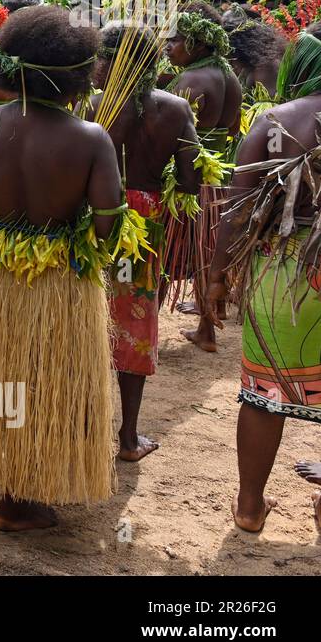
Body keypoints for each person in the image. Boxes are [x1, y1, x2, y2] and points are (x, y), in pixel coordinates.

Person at [0, 4, 126, 530]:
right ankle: (15, 501)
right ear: (80, 80)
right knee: (36, 379)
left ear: (11, 68)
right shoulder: (90, 139)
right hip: (57, 283)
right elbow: (107, 223)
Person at [205, 31, 321, 534]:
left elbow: (235, 208)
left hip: (281, 276)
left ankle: (249, 507)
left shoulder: (275, 120)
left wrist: (215, 276)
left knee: (264, 392)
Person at [91, 23, 200, 461]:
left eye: (103, 58)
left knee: (91, 311)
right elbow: (192, 181)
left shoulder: (96, 108)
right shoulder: (175, 110)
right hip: (145, 222)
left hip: (98, 218)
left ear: (118, 63)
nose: (96, 66)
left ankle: (86, 426)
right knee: (134, 318)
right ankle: (128, 437)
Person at [161, 11, 243, 352]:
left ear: (195, 43)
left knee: (163, 252)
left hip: (189, 183)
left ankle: (143, 324)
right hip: (219, 182)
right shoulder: (231, 78)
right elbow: (235, 129)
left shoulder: (191, 81)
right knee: (207, 253)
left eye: (175, 40)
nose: (168, 46)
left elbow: (170, 133)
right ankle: (207, 331)